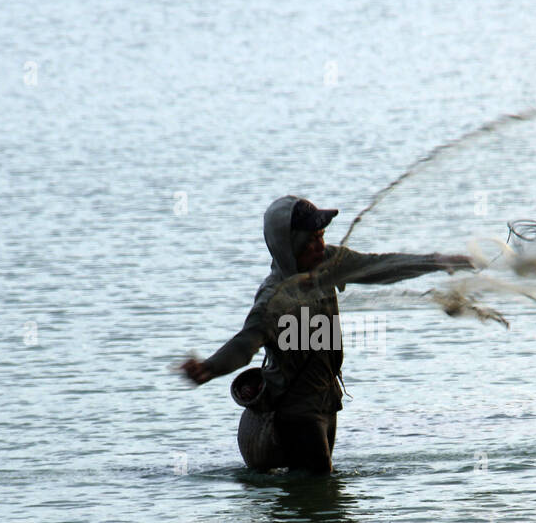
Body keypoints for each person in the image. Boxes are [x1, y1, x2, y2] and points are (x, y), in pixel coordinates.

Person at [181, 196, 474, 474]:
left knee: (320, 498)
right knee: (320, 492)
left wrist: (437, 262)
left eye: (321, 236)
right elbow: (245, 344)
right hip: (295, 413)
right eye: (310, 241)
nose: (320, 246)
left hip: (326, 403)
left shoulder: (327, 263)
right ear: (288, 246)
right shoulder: (274, 299)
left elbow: (378, 266)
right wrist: (209, 367)